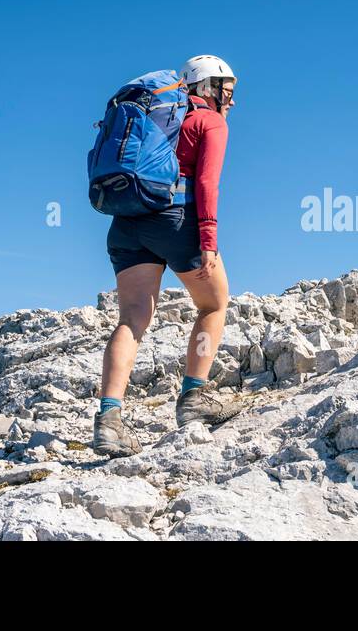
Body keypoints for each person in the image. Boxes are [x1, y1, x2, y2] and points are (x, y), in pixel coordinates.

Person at [92, 55, 246, 458]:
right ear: (209, 87)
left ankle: (109, 421)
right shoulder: (209, 121)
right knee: (213, 304)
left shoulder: (156, 119)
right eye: (227, 90)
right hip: (176, 221)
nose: (231, 99)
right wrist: (208, 240)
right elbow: (208, 181)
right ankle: (193, 399)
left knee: (131, 319)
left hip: (126, 222)